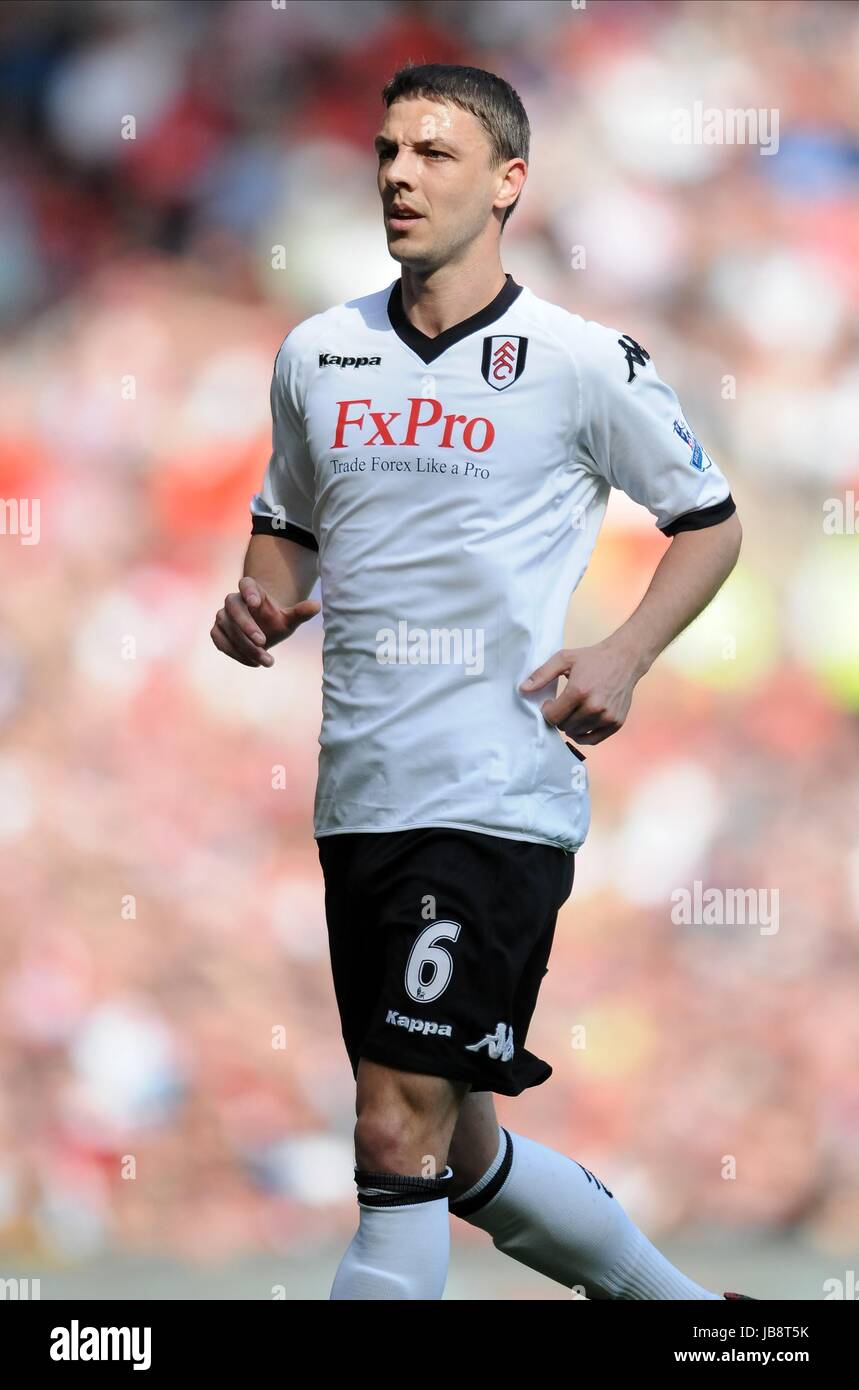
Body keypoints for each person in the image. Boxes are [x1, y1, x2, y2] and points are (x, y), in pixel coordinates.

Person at [211, 63, 751, 1301]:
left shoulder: (577, 361)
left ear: (509, 182)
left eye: (433, 154)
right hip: (360, 796)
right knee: (453, 1149)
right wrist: (256, 598)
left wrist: (621, 652)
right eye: (387, 151)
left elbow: (709, 521)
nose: (398, 174)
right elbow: (284, 521)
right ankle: (691, 1320)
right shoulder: (318, 353)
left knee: (390, 1133)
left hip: (492, 794)